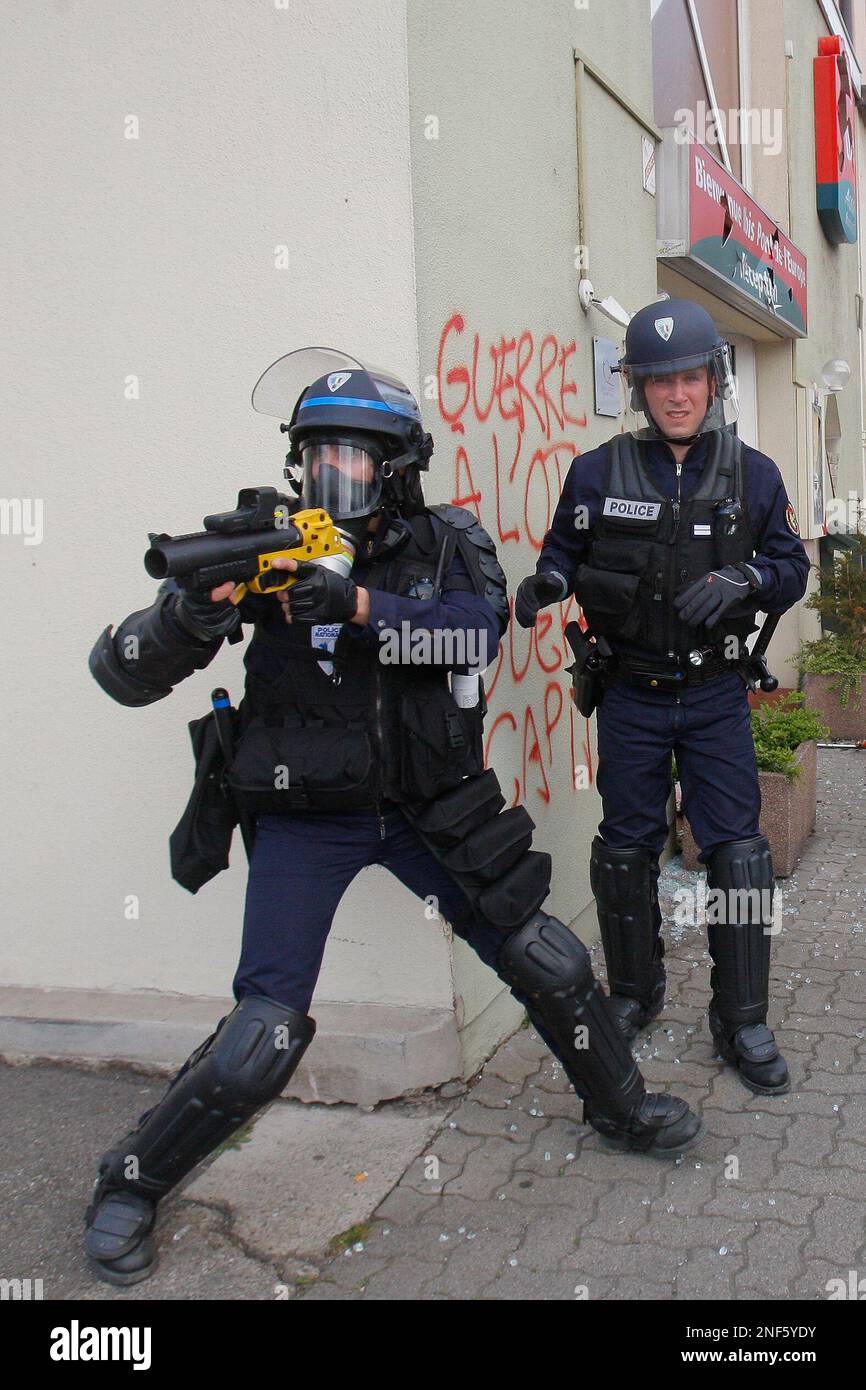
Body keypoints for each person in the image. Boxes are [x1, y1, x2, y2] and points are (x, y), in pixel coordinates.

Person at [84, 347, 701, 1286]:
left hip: (431, 802)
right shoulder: (267, 544)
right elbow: (123, 672)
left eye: (355, 461)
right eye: (318, 458)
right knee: (262, 1037)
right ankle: (129, 1184)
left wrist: (361, 604)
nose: (334, 479)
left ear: (399, 468)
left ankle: (623, 1108)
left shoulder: (448, 542)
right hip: (307, 813)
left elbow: (474, 635)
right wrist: (193, 617)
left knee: (548, 959)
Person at [516, 298, 809, 1098]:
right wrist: (548, 584)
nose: (676, 394)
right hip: (631, 695)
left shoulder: (753, 474)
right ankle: (633, 994)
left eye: (689, 378)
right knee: (625, 850)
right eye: (659, 381)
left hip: (714, 694)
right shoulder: (596, 471)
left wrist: (748, 576)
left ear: (712, 381)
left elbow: (792, 567)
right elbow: (563, 550)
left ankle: (742, 1019)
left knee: (739, 855)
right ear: (639, 390)